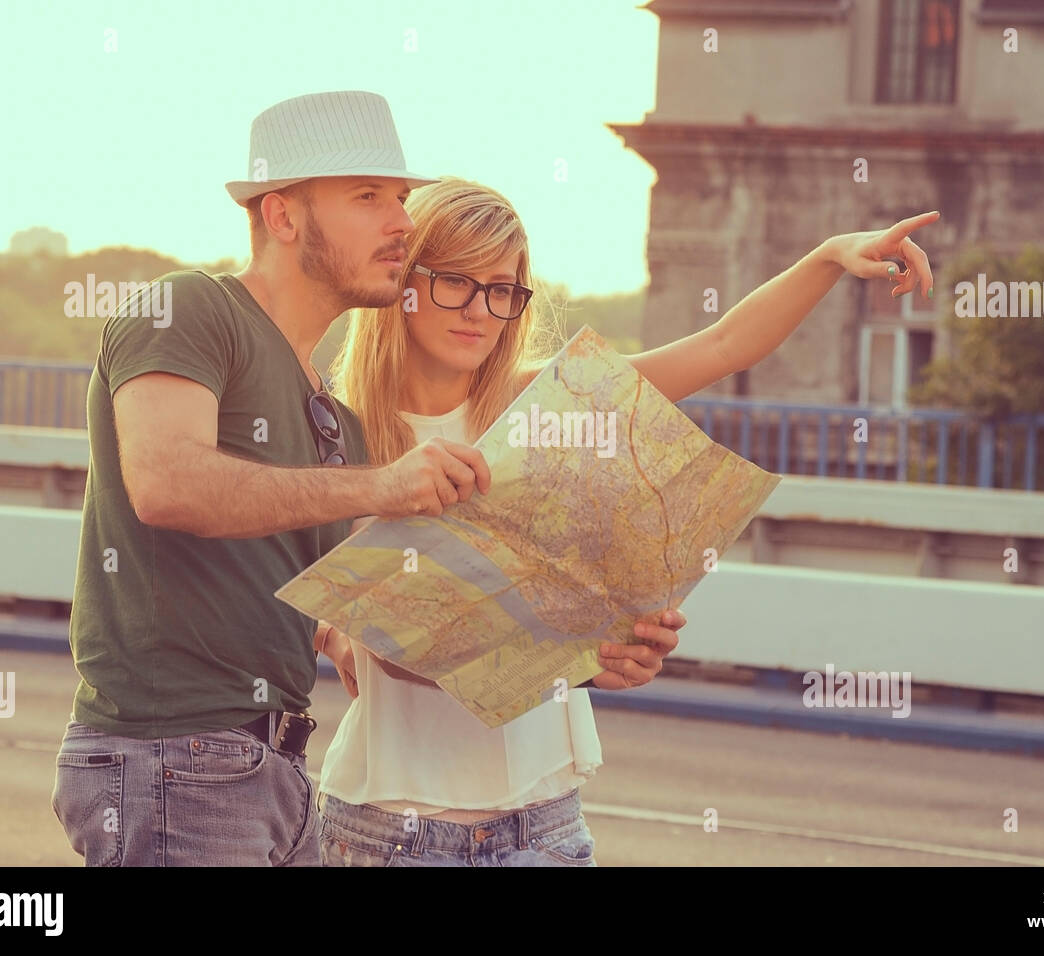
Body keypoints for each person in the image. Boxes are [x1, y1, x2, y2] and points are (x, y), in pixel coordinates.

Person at [50, 90, 684, 867]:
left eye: (401, 198)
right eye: (367, 197)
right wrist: (382, 486)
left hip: (276, 772)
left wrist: (585, 658)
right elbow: (167, 485)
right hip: (174, 758)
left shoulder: (328, 418)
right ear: (281, 216)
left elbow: (392, 641)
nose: (402, 221)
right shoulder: (186, 308)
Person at [314, 177, 938, 866]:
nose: (480, 311)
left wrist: (828, 257)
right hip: (393, 829)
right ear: (403, 280)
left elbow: (724, 345)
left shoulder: (544, 405)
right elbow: (353, 648)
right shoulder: (338, 434)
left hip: (544, 828)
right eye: (455, 282)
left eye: (502, 289)